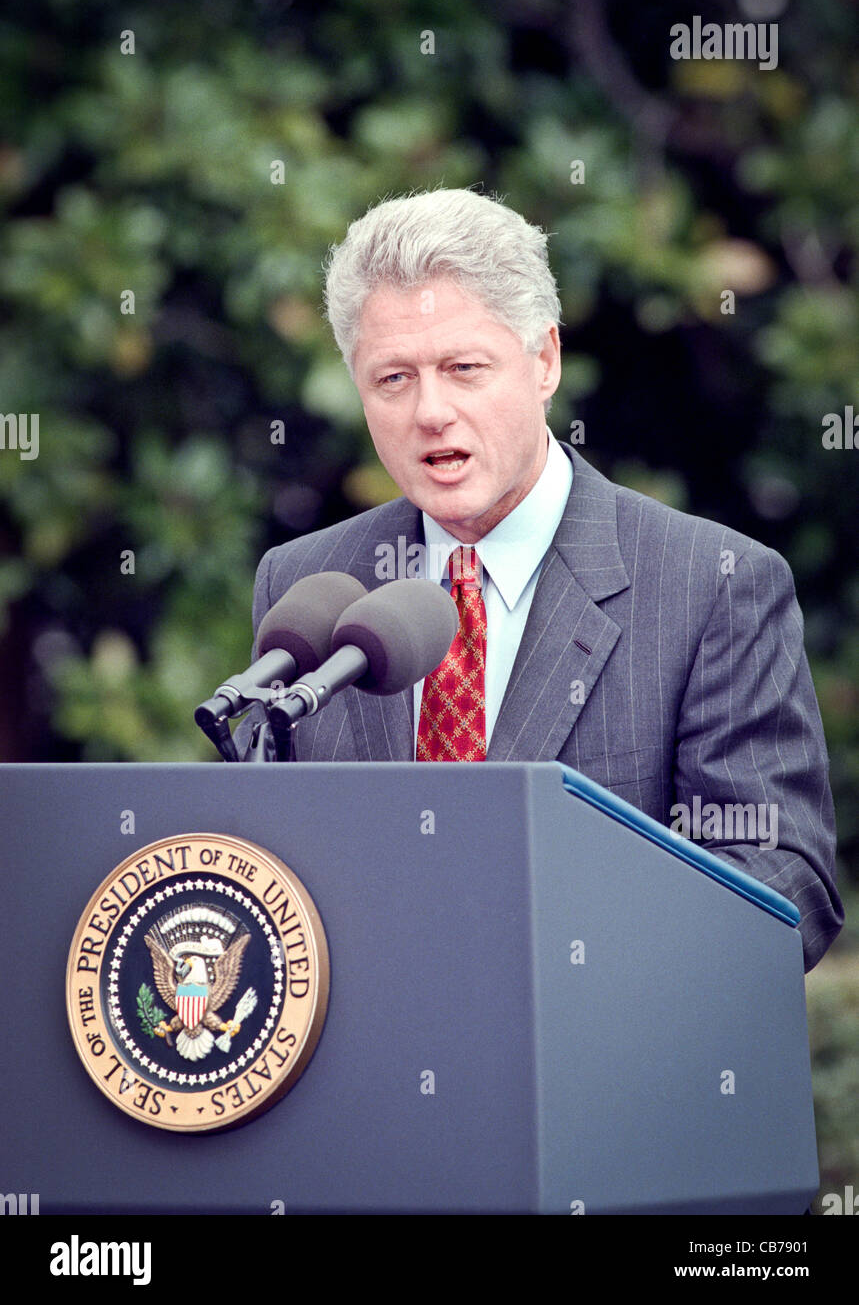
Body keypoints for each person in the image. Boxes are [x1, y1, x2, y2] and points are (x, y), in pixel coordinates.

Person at [235, 187, 842, 972]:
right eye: (393, 379)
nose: (431, 412)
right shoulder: (308, 583)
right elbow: (259, 863)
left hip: (595, 1073)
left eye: (463, 368)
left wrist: (558, 967)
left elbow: (780, 882)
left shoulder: (710, 585)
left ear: (544, 359)